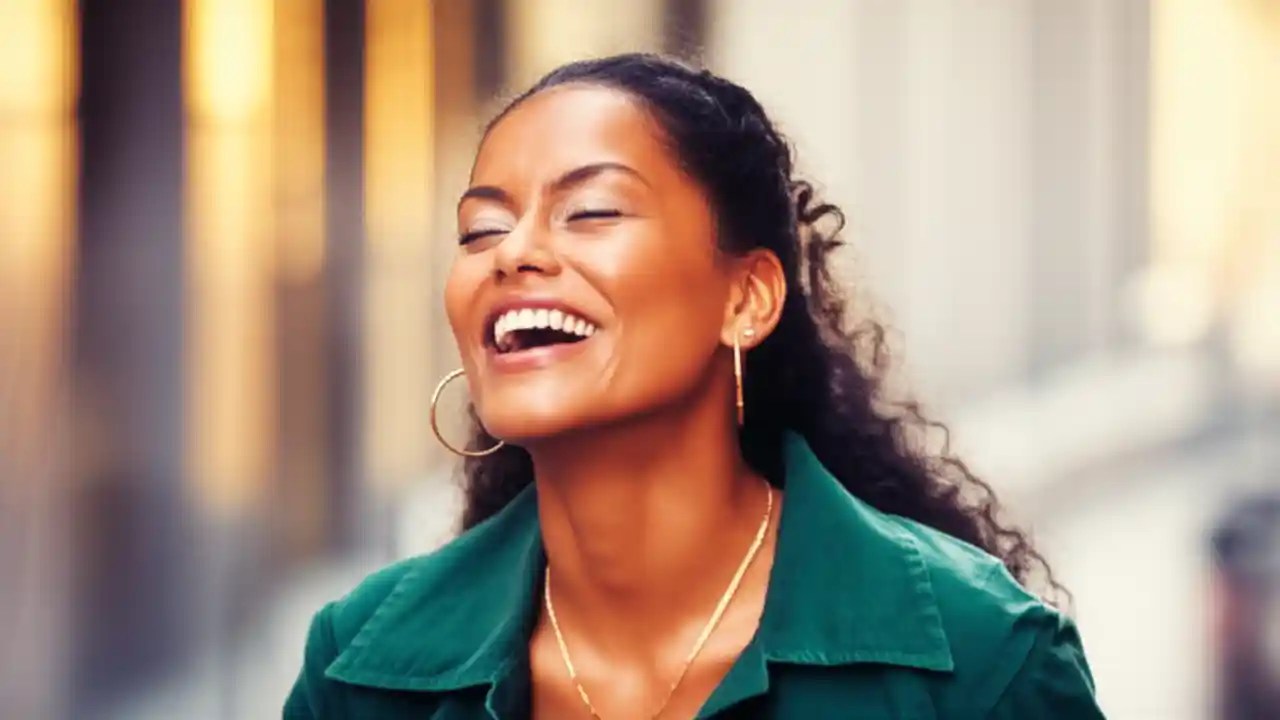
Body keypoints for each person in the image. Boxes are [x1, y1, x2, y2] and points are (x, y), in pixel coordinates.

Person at [284, 53, 1105, 719]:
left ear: (746, 299)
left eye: (592, 212)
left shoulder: (985, 665)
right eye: (481, 228)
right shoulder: (359, 671)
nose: (511, 254)